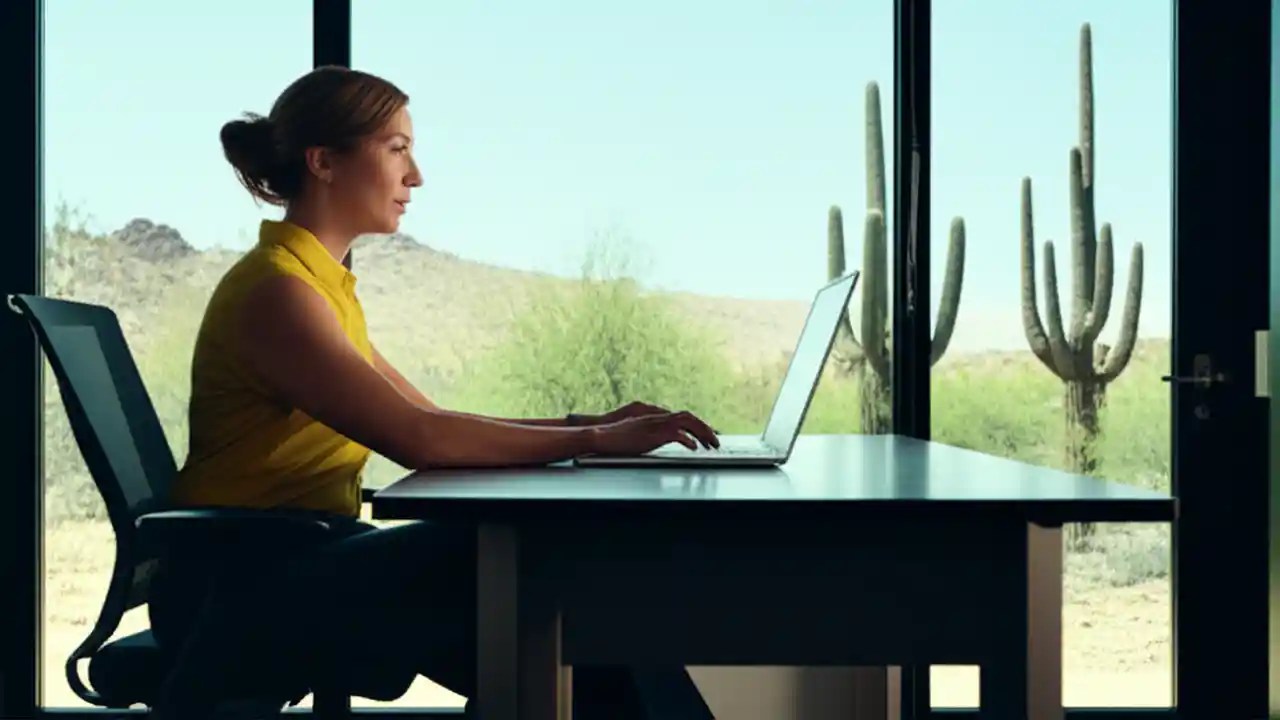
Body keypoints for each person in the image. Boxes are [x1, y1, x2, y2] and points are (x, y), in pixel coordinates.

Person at [146, 65, 720, 719]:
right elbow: (419, 440)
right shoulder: (279, 292)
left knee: (569, 626)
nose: (415, 175)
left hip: (295, 559)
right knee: (532, 571)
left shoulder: (320, 286)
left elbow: (429, 415)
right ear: (325, 162)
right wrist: (590, 440)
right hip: (239, 582)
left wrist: (584, 424)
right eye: (397, 150)